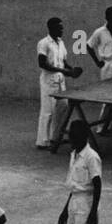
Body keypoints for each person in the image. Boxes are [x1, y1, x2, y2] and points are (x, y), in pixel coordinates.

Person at [58, 120, 112, 224]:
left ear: (84, 137)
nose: (71, 141)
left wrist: (93, 212)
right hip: (75, 203)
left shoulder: (91, 157)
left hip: (86, 204)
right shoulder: (74, 155)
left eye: (74, 137)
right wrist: (65, 209)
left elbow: (97, 185)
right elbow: (74, 185)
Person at [36, 17, 83, 148]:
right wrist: (64, 71)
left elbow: (64, 61)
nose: (62, 30)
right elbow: (42, 63)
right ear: (51, 28)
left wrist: (71, 70)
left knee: (62, 108)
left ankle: (55, 137)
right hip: (48, 81)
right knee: (48, 111)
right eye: (59, 28)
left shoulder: (61, 43)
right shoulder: (43, 43)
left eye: (62, 27)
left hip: (60, 80)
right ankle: (42, 141)